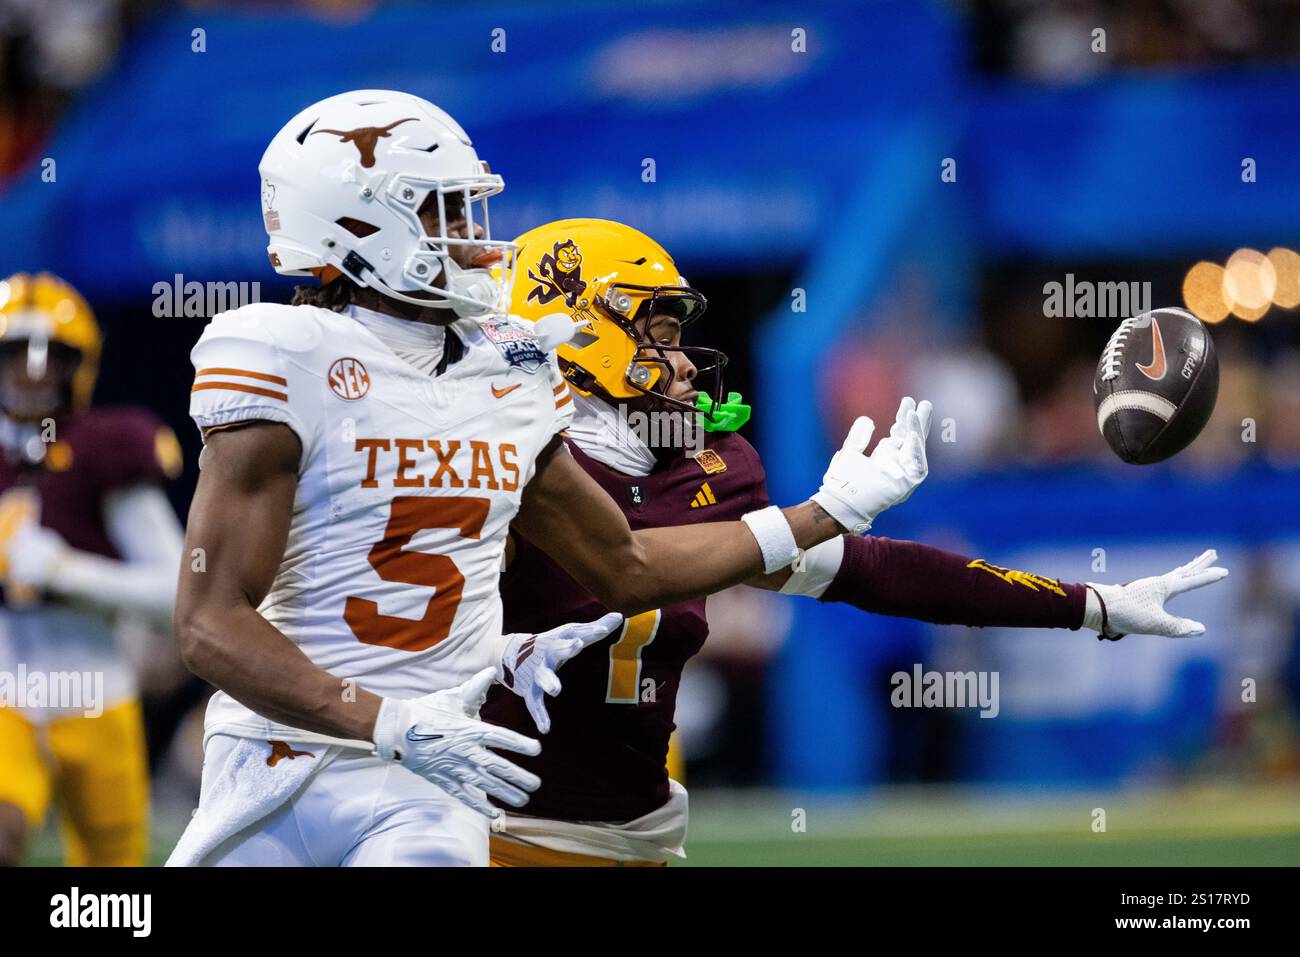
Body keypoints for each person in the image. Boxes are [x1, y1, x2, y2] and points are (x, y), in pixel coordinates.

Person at [168, 91, 929, 867]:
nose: (474, 238)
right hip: (280, 754)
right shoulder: (285, 353)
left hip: (434, 772)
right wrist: (384, 719)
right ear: (357, 223)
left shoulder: (510, 368)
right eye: (446, 213)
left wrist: (823, 512)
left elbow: (625, 565)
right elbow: (207, 622)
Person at [480, 218, 1231, 866]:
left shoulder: (700, 470)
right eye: (662, 335)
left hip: (635, 840)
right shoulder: (505, 461)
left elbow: (877, 572)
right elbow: (628, 568)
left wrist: (1091, 603)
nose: (682, 363)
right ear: (578, 333)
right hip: (489, 834)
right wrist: (823, 510)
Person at [0, 272, 184, 866]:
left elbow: (179, 589)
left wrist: (65, 572)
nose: (30, 373)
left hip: (98, 691)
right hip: (6, 693)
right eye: (13, 356)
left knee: (113, 889)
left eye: (48, 358)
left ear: (76, 365)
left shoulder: (103, 448)